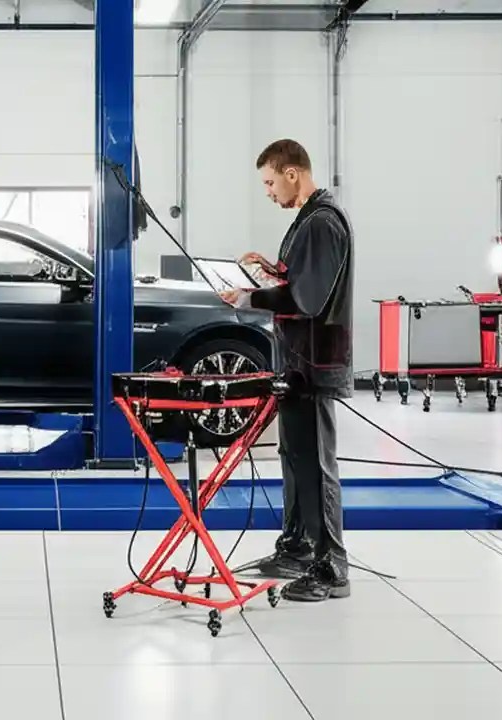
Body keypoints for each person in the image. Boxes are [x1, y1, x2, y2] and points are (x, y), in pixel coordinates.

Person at [219, 139, 354, 602]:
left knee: (316, 465)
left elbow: (307, 299)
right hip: (296, 362)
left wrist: (250, 297)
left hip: (315, 362)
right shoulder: (307, 221)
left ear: (293, 173)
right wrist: (269, 271)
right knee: (294, 459)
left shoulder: (322, 222)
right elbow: (298, 281)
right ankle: (298, 547)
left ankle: (331, 568)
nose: (269, 192)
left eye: (270, 182)